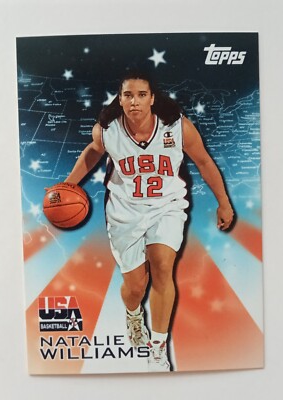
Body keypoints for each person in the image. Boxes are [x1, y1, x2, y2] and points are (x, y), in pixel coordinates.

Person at [60, 71, 234, 372]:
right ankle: (133, 314)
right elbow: (92, 153)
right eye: (128, 95)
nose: (134, 102)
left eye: (141, 95)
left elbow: (204, 161)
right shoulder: (107, 130)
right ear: (120, 99)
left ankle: (158, 348)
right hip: (124, 211)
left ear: (152, 98)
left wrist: (224, 202)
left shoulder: (177, 127)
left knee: (163, 266)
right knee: (135, 287)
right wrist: (67, 186)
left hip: (167, 205)